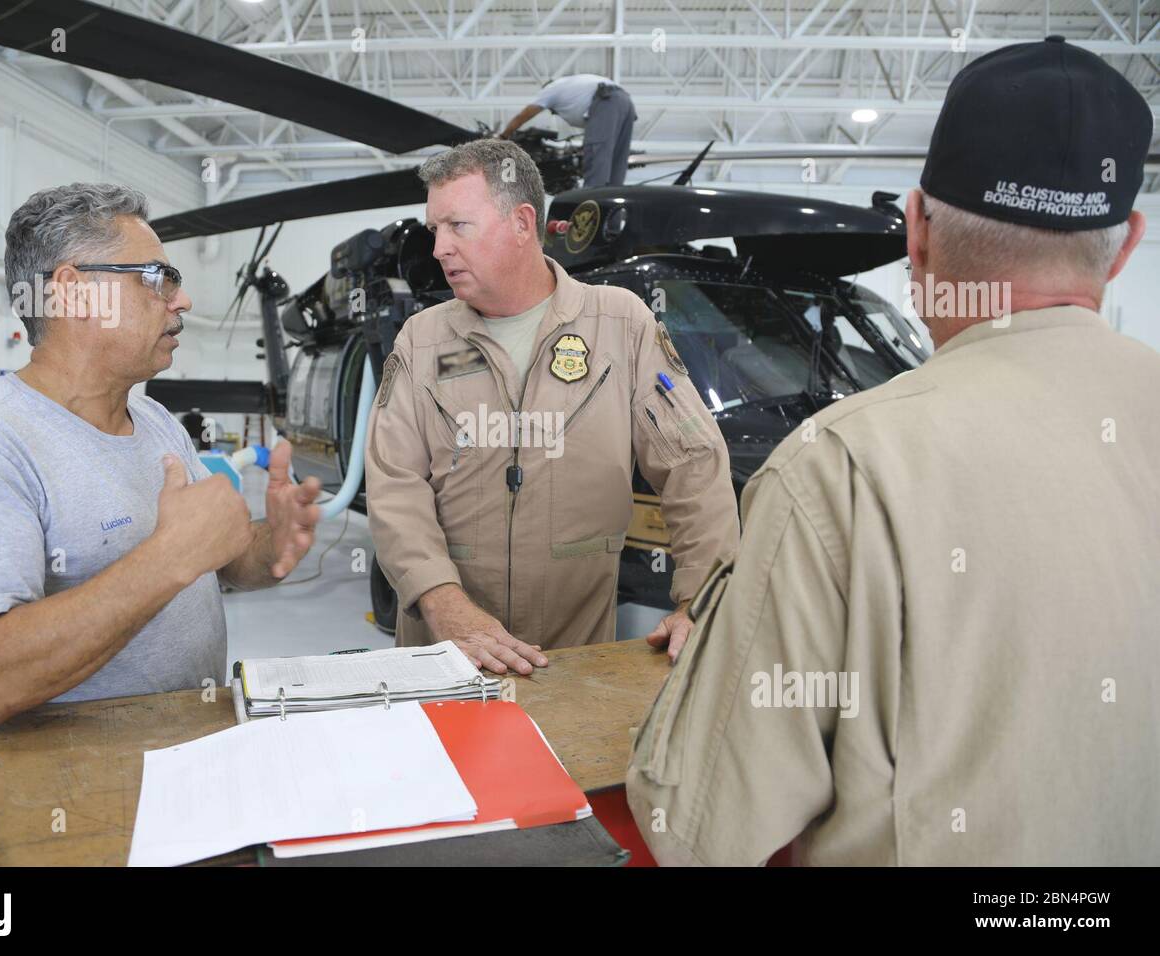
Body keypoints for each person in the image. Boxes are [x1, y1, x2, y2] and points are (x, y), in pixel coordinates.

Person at [627, 36, 1160, 865]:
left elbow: (697, 833)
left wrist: (730, 655)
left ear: (915, 229)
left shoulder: (836, 467)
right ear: (1126, 244)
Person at [0, 183, 322, 730]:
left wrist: (270, 542)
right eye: (156, 277)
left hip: (192, 753)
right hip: (73, 797)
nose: (181, 300)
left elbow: (216, 561)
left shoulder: (157, 422)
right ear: (73, 291)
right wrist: (170, 558)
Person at [365, 139, 737, 676]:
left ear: (521, 223)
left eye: (458, 226)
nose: (440, 248)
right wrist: (442, 602)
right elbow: (393, 482)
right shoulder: (422, 340)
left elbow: (693, 462)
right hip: (444, 656)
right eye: (434, 230)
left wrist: (701, 599)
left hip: (571, 660)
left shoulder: (620, 325)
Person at [499, 74, 637, 187]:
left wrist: (504, 135)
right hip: (625, 102)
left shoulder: (550, 89)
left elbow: (526, 113)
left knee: (596, 162)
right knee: (617, 167)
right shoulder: (571, 87)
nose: (553, 112)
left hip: (606, 102)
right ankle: (612, 217)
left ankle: (592, 207)